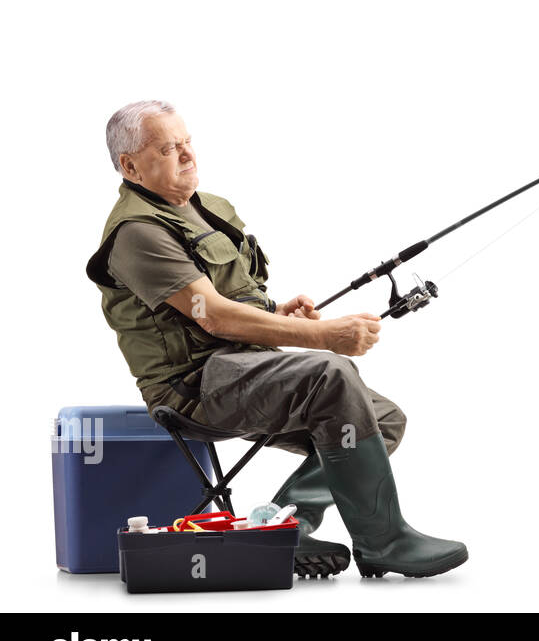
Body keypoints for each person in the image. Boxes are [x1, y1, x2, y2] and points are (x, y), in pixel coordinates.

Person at [85, 100, 467, 579]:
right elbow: (213, 315)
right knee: (331, 372)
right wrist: (322, 335)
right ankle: (383, 541)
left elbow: (231, 301)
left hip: (245, 368)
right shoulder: (137, 233)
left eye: (187, 142)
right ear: (130, 165)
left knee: (383, 418)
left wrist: (276, 311)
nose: (187, 155)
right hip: (195, 389)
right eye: (168, 148)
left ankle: (286, 525)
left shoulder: (211, 209)